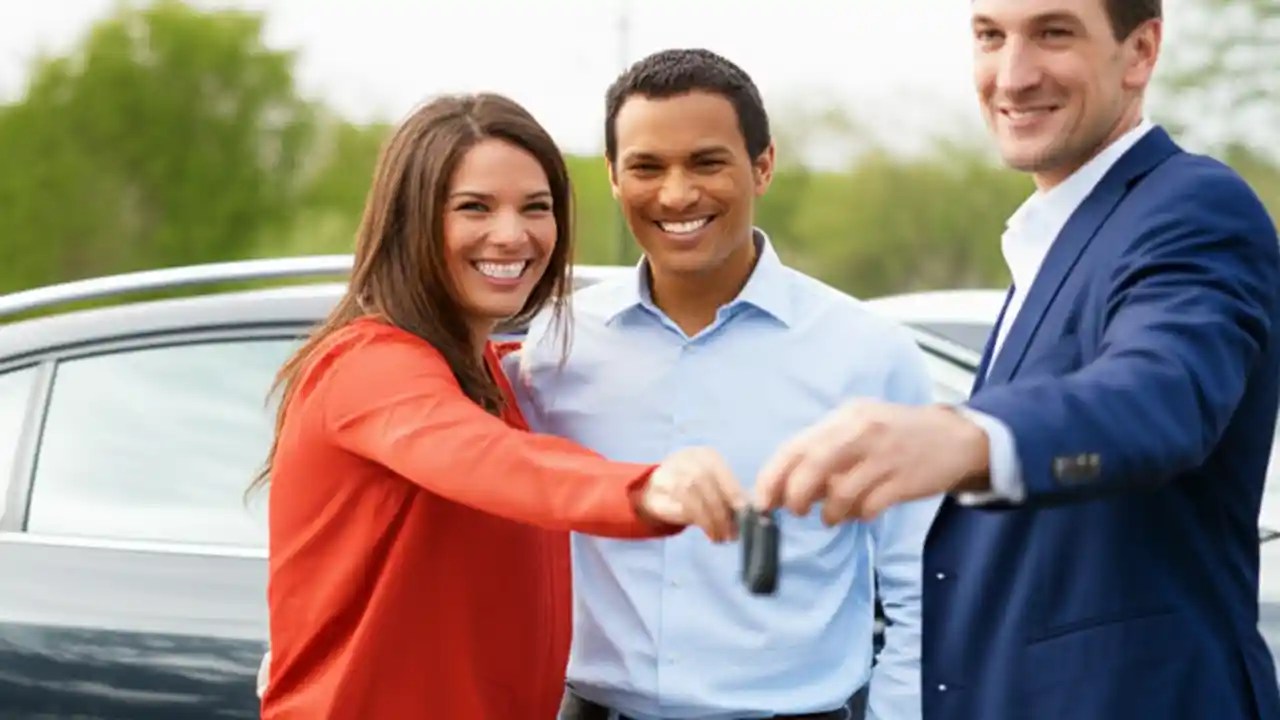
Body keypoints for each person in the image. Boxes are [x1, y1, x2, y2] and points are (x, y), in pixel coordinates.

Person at [752, 1, 1280, 719]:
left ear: (1141, 52)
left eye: (1053, 33)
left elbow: (1160, 393)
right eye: (990, 36)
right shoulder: (1057, 236)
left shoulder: (1193, 208)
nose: (1013, 75)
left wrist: (970, 435)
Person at [254, 92, 747, 720]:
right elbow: (491, 461)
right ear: (411, 222)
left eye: (536, 208)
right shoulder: (370, 365)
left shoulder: (494, 368)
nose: (513, 235)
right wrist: (646, 490)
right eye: (474, 208)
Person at [507, 49, 938, 720]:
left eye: (707, 163)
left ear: (762, 166)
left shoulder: (867, 353)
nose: (677, 195)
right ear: (615, 178)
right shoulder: (557, 346)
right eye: (648, 167)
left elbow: (925, 582)